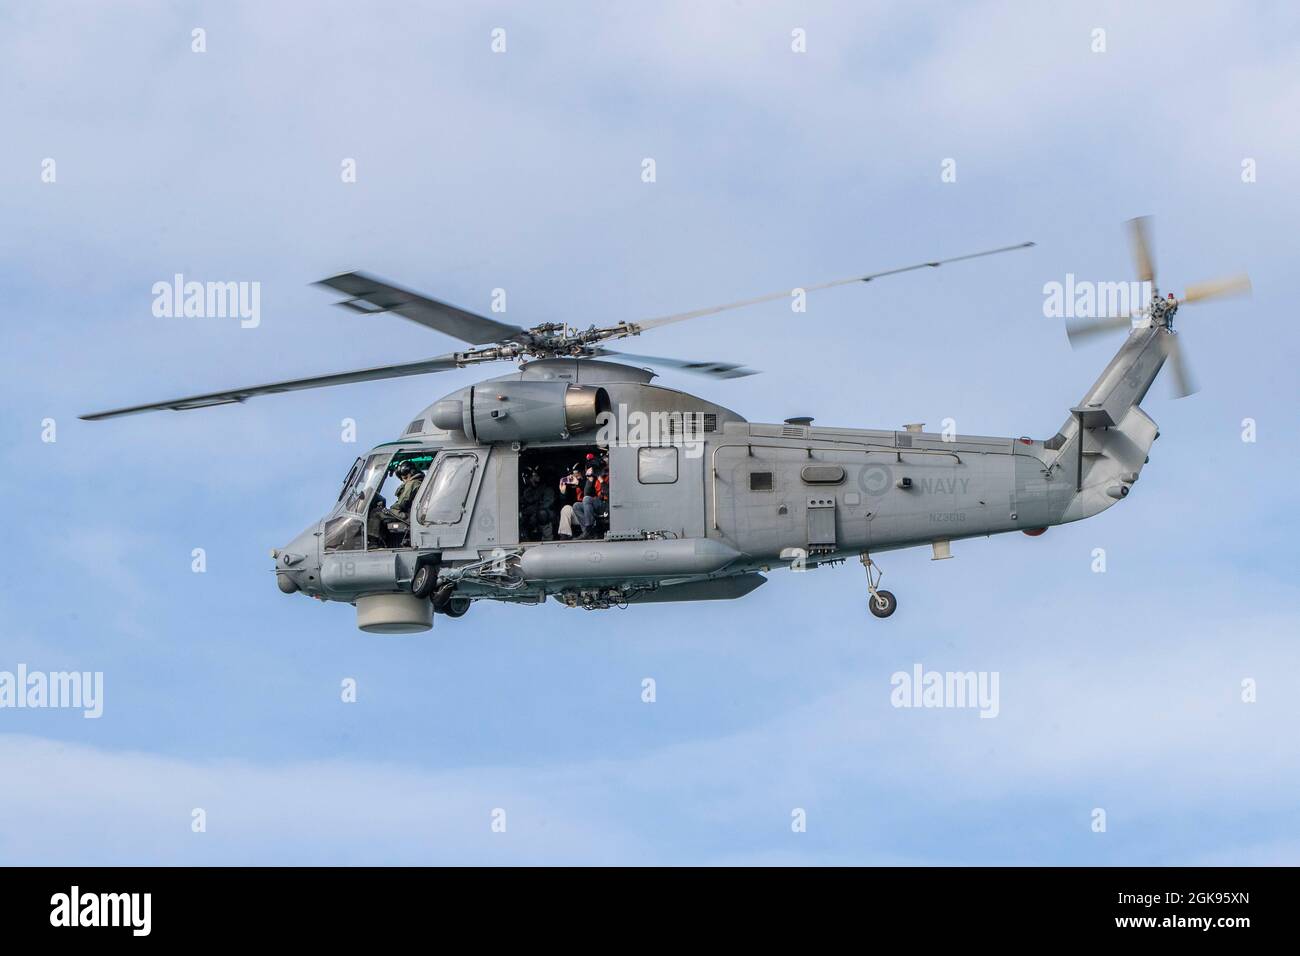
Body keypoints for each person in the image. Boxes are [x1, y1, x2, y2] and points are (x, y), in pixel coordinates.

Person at [519, 466, 556, 541]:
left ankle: (547, 538)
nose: (534, 477)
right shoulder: (528, 489)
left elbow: (547, 505)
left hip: (546, 514)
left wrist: (531, 510)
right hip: (531, 514)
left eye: (536, 475)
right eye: (533, 476)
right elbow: (525, 501)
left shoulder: (547, 489)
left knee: (542, 514)